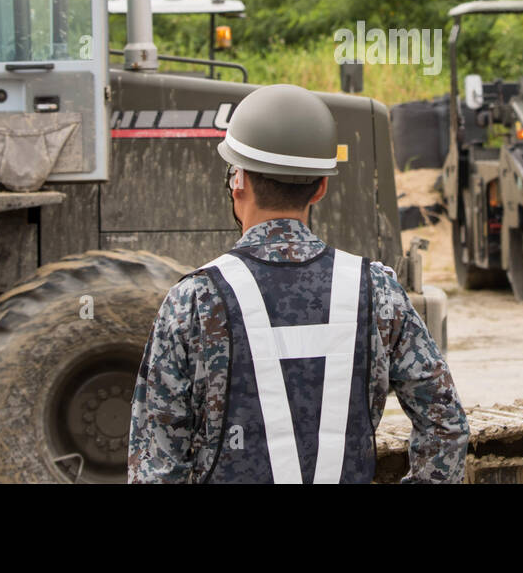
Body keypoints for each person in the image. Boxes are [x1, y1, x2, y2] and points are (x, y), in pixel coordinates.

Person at [128, 83, 469, 483]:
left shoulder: (193, 300)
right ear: (321, 187)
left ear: (236, 180)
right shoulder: (377, 290)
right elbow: (446, 425)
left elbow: (156, 464)